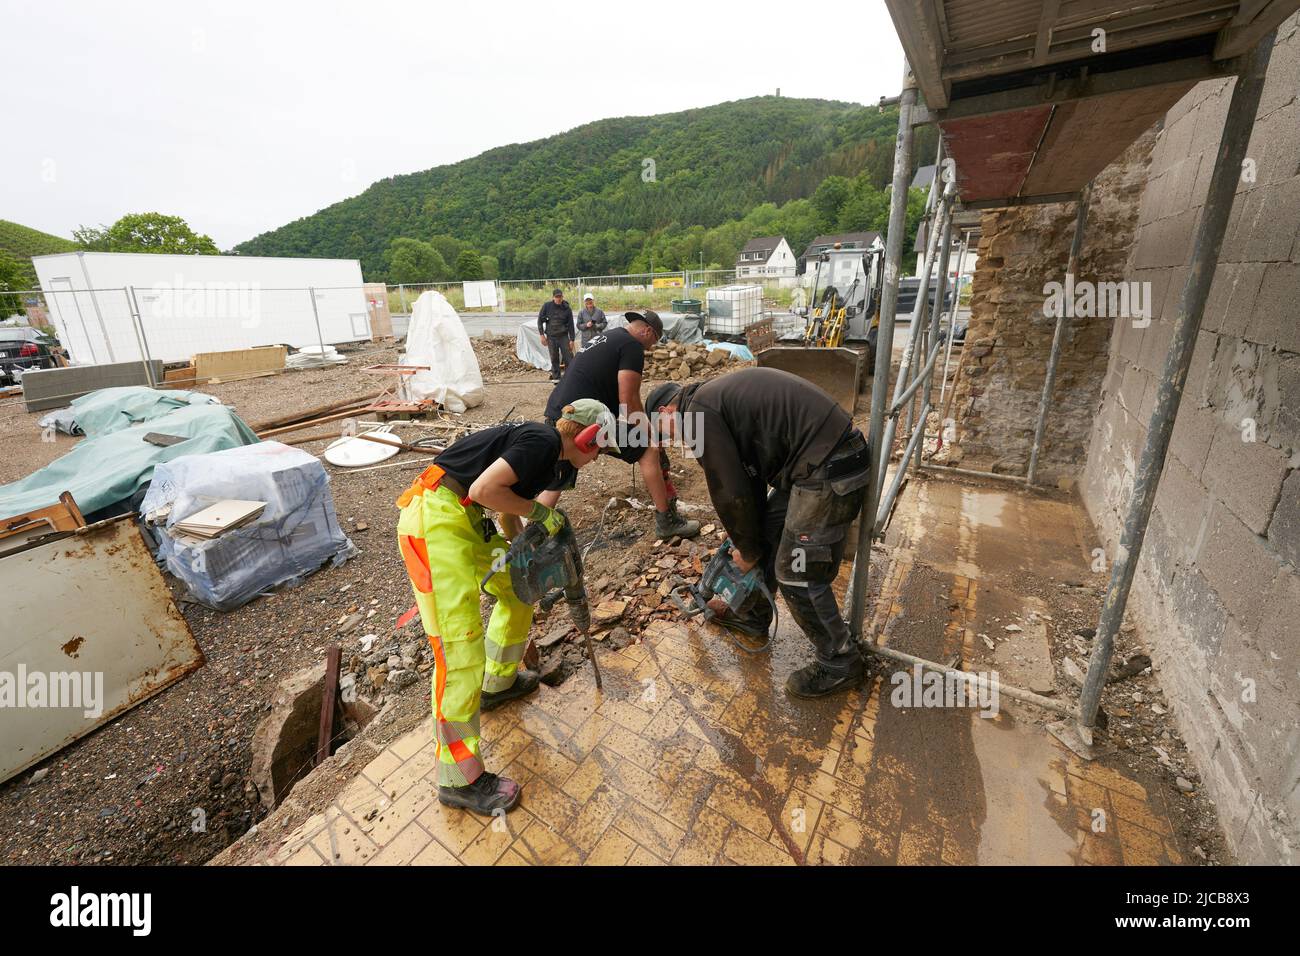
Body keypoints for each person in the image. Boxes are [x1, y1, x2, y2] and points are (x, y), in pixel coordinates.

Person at [396, 399, 616, 815]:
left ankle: (497, 684)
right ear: (589, 438)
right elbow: (485, 491)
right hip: (435, 520)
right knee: (460, 652)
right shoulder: (543, 440)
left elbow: (502, 506)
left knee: (517, 591)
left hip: (466, 519)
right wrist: (540, 514)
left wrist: (520, 552)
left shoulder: (548, 456)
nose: (600, 456)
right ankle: (459, 778)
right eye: (601, 447)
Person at [645, 368, 871, 699]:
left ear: (666, 410)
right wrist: (743, 536)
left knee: (796, 570)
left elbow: (730, 489)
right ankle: (752, 617)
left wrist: (746, 552)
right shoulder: (711, 402)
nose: (669, 440)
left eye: (662, 431)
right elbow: (746, 477)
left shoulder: (699, 414)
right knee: (764, 532)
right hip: (818, 461)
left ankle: (840, 661)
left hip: (827, 465)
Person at [539, 309, 700, 540]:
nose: (650, 349)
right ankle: (667, 522)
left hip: (559, 412)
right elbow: (629, 400)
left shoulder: (608, 337)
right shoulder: (632, 346)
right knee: (648, 450)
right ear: (646, 331)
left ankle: (533, 536)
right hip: (586, 419)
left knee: (558, 478)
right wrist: (649, 434)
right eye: (651, 343)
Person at [537, 288, 575, 381]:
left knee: (568, 357)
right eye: (556, 297)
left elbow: (571, 325)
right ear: (553, 297)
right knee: (554, 357)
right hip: (551, 337)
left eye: (560, 297)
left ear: (562, 297)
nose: (558, 299)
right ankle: (556, 377)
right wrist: (542, 335)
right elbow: (540, 321)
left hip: (563, 336)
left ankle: (568, 378)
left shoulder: (567, 308)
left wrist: (572, 339)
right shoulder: (547, 306)